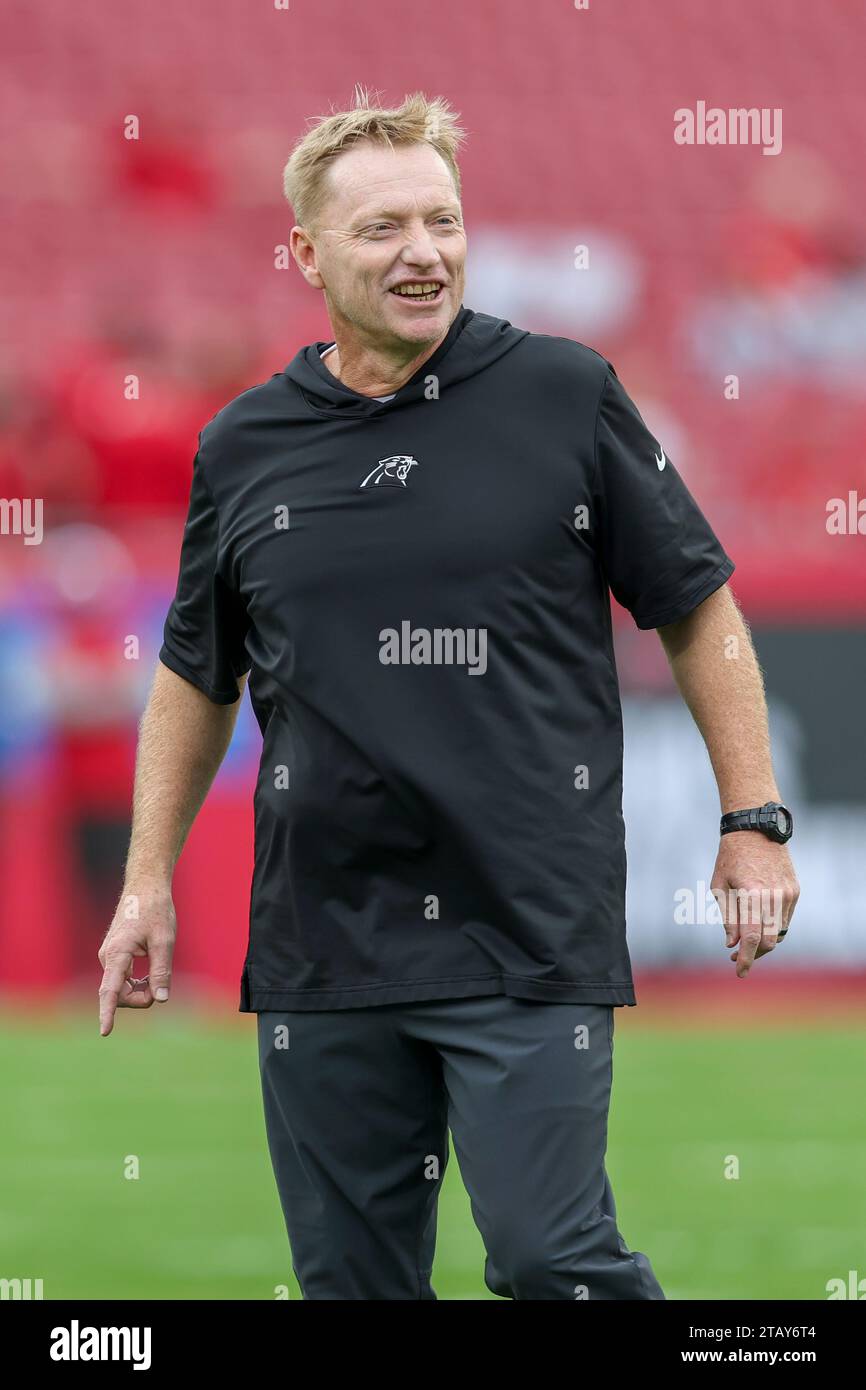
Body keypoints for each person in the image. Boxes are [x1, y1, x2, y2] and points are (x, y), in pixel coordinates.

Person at [99, 88, 800, 1300]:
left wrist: (751, 819)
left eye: (443, 220)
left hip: (523, 923)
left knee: (551, 1261)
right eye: (382, 230)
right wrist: (146, 879)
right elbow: (194, 671)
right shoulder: (241, 442)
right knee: (353, 1290)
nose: (423, 252)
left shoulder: (565, 394)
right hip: (320, 937)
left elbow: (697, 608)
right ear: (309, 254)